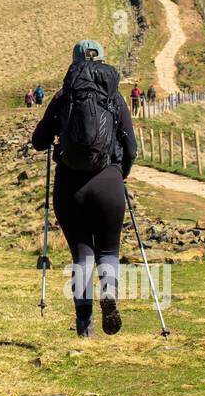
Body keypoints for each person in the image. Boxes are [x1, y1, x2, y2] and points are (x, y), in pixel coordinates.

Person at [30, 39, 137, 338]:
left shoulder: (64, 96)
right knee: (109, 249)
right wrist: (120, 173)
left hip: (70, 186)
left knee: (82, 255)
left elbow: (38, 141)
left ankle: (84, 326)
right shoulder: (114, 97)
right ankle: (110, 292)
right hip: (109, 183)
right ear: (102, 60)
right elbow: (131, 147)